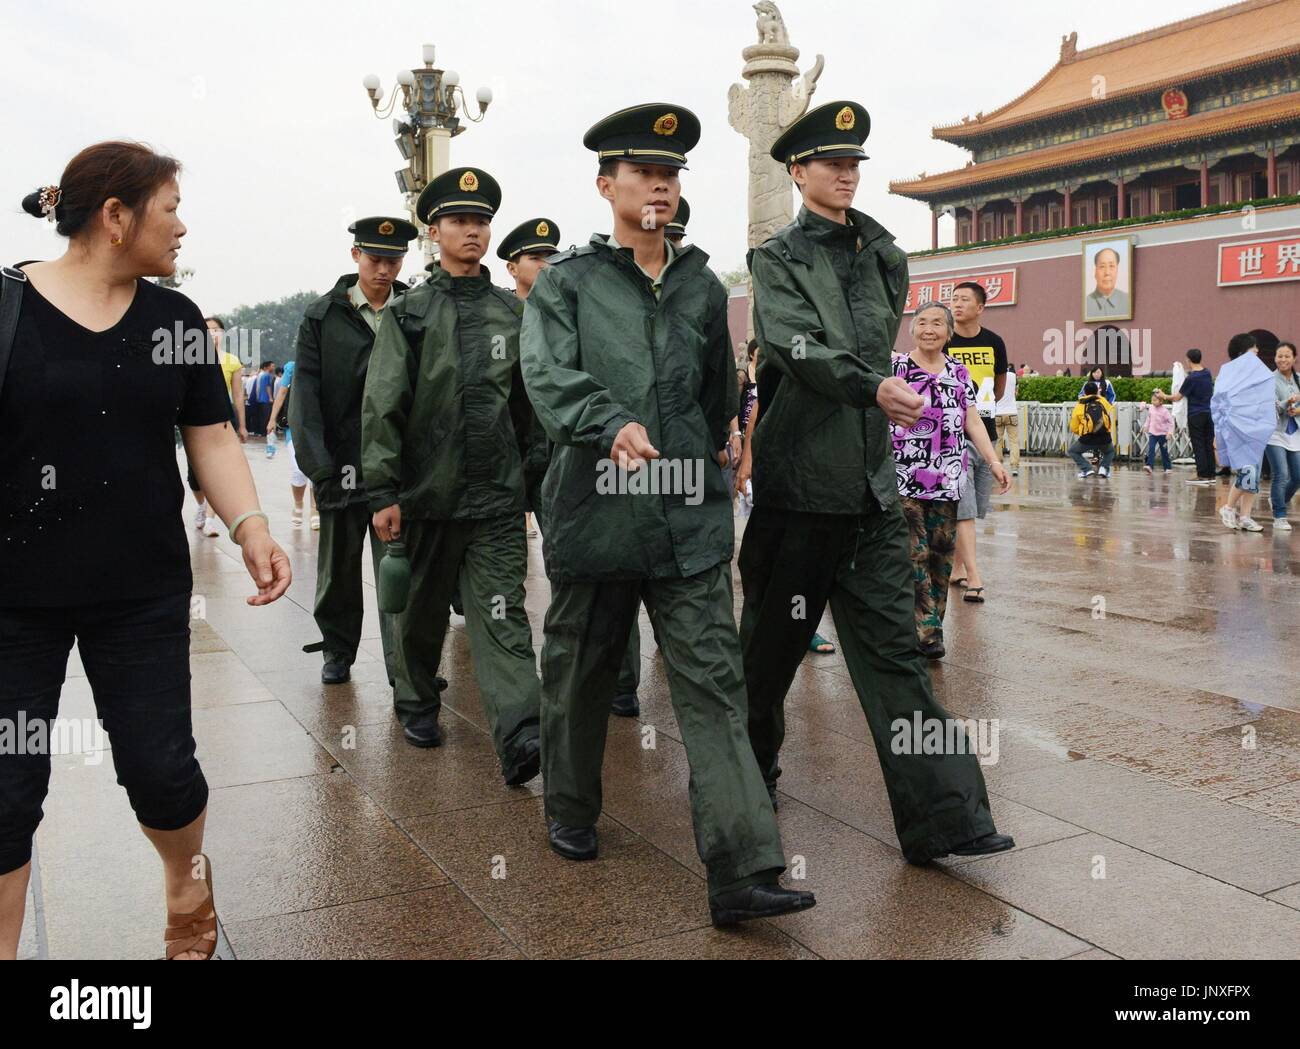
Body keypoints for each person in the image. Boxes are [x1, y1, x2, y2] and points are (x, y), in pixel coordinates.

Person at [521, 103, 815, 926]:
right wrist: (607, 422)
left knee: (715, 690)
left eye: (672, 171)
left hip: (688, 519)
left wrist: (733, 436)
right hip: (595, 514)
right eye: (644, 171)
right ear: (606, 184)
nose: (660, 182)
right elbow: (545, 379)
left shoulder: (698, 282)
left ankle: (743, 868)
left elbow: (720, 384)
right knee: (580, 674)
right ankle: (570, 806)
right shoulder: (567, 284)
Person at [2, 142, 291, 961]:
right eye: (170, 208)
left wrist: (251, 527)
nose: (183, 226)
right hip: (13, 596)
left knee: (161, 768)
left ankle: (184, 879)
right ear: (116, 215)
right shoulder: (9, 308)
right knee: (5, 791)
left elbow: (210, 435)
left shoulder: (173, 323)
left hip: (140, 591)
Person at [738, 100, 1013, 865]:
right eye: (831, 163)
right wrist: (870, 387)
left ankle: (946, 817)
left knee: (896, 659)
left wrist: (873, 405)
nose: (845, 174)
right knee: (765, 660)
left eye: (854, 163)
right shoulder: (777, 257)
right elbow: (794, 344)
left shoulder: (886, 255)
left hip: (870, 491)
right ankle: (746, 781)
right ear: (798, 172)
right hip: (798, 491)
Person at [363, 168, 545, 784]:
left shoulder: (508, 314)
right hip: (425, 497)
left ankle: (523, 732)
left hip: (494, 497)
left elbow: (528, 408)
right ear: (434, 230)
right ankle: (416, 701)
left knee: (502, 614)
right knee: (419, 617)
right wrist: (383, 489)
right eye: (460, 221)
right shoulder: (410, 314)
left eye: (481, 221)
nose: (473, 230)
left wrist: (534, 481)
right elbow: (383, 402)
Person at [290, 217, 416, 685]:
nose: (383, 269)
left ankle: (404, 665)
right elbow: (305, 395)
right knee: (338, 569)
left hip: (398, 468)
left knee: (398, 569)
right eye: (375, 259)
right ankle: (338, 649)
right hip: (341, 462)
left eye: (393, 260)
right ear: (355, 256)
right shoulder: (322, 316)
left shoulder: (414, 309)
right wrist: (319, 468)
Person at [892, 303, 1009, 659]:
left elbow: (972, 420)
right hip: (903, 477)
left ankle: (932, 627)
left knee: (941, 555)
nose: (930, 329)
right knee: (915, 552)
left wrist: (992, 460)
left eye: (937, 324)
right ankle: (926, 631)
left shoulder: (958, 371)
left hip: (947, 478)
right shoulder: (895, 367)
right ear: (912, 329)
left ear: (948, 332)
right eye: (922, 323)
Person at [946, 281, 1007, 607]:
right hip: (953, 438)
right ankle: (974, 576)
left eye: (964, 300)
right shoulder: (943, 340)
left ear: (981, 306)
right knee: (965, 508)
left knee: (975, 509)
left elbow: (997, 388)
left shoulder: (994, 342)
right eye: (953, 299)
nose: (957, 304)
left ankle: (956, 568)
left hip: (985, 432)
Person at [190, 315, 247, 537]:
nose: (212, 334)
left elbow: (238, 396)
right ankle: (202, 506)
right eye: (207, 330)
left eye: (216, 330)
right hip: (196, 419)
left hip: (223, 418)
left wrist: (242, 425)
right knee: (194, 476)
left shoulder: (232, 361)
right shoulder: (191, 357)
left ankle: (211, 520)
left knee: (216, 470)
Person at [1213, 333, 1275, 533]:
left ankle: (1246, 516)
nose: (1257, 351)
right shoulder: (1230, 374)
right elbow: (1220, 402)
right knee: (1248, 472)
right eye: (1253, 348)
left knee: (1253, 475)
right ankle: (1229, 507)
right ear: (1243, 352)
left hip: (1254, 430)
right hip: (1238, 430)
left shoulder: (1252, 375)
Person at [266, 359, 317, 528]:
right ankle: (298, 504)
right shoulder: (292, 367)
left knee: (317, 470)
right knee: (298, 469)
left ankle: (315, 510)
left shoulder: (325, 363)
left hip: (318, 424)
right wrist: (272, 419)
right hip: (294, 425)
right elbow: (281, 394)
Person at [1157, 349, 1215, 484]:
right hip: (1208, 413)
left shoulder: (1191, 378)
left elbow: (1177, 397)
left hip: (1196, 414)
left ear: (1189, 360)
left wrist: (1163, 395)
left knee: (1198, 444)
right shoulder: (1207, 373)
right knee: (1208, 444)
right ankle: (1211, 474)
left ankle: (1202, 475)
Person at [1266, 341, 1300, 531]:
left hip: (1295, 433)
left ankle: (1277, 499)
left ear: (1294, 358)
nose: (1283, 359)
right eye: (1280, 356)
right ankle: (1279, 515)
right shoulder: (1270, 380)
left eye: (1287, 356)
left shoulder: (1299, 379)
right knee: (1281, 474)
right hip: (1275, 433)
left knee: (1298, 476)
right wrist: (1289, 401)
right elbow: (1274, 407)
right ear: (1275, 358)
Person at [1068, 381, 1116, 478]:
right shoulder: (1103, 401)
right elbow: (1109, 411)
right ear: (1097, 391)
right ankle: (1104, 468)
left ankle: (1087, 469)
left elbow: (1074, 426)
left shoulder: (1080, 405)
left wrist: (1082, 431)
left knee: (1073, 451)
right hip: (1104, 436)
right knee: (1110, 451)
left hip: (1087, 437)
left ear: (1084, 392)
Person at [1086, 247, 1129, 318]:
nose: (1107, 272)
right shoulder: (1086, 303)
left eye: (1111, 266)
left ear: (1117, 270)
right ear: (1095, 271)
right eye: (1102, 266)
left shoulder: (1127, 301)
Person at [994, 358, 1020, 476]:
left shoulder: (994, 375)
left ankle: (998, 465)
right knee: (1014, 441)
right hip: (1012, 412)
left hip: (997, 413)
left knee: (998, 441)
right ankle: (1014, 467)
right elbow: (1016, 392)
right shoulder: (1013, 376)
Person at [1141, 391, 1174, 473]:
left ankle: (1167, 468)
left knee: (1164, 451)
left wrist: (1170, 432)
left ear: (1161, 401)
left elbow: (1171, 422)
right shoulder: (1151, 408)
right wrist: (1145, 426)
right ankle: (1149, 466)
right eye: (1152, 400)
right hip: (1152, 433)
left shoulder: (1165, 411)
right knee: (1151, 449)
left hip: (1163, 434)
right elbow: (1149, 419)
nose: (1153, 402)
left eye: (1155, 400)